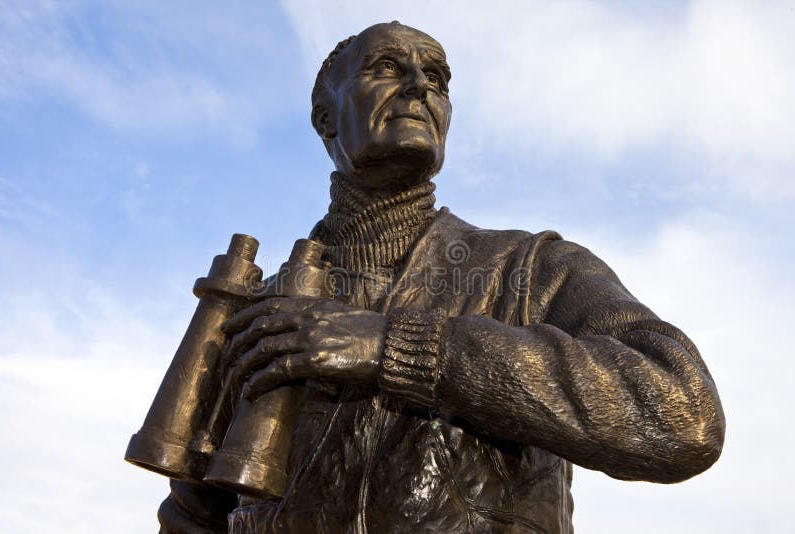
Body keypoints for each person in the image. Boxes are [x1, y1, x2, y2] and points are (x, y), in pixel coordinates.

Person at [158, 21, 725, 533]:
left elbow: (686, 415)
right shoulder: (262, 311)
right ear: (325, 117)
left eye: (436, 78)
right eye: (386, 67)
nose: (418, 87)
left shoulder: (531, 269)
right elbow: (194, 517)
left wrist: (399, 348)